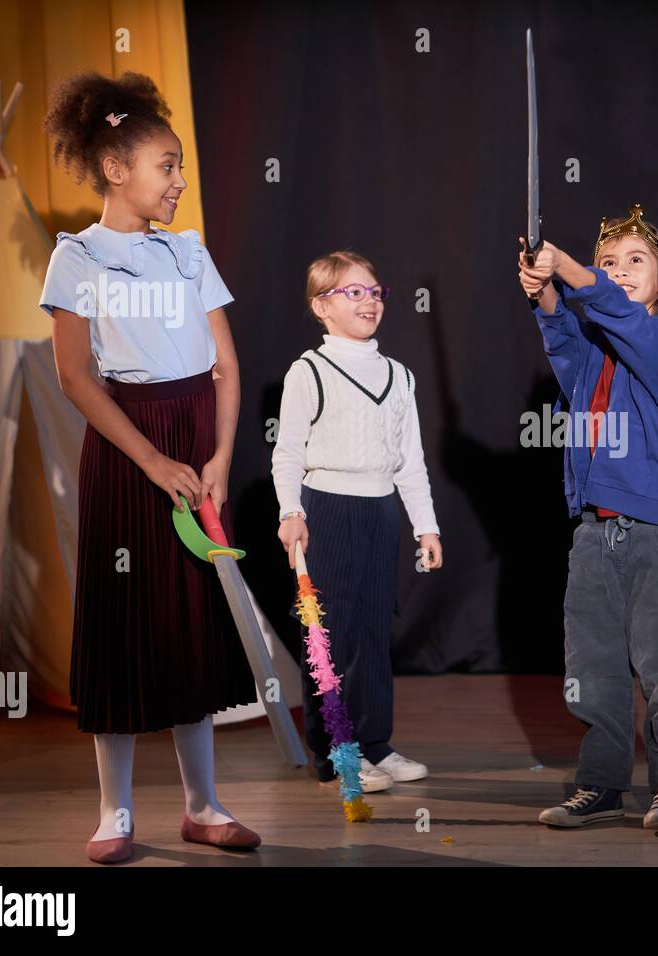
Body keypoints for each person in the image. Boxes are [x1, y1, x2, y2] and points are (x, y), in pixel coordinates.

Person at [39, 71, 260, 863]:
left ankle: (203, 806)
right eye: (166, 165)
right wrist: (153, 458)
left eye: (180, 167)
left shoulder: (189, 252)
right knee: (123, 620)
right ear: (115, 169)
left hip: (196, 440)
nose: (179, 181)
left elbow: (226, 367)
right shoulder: (77, 258)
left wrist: (221, 457)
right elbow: (75, 377)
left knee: (189, 622)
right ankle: (115, 813)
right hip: (132, 448)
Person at [517, 206, 658, 830]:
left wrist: (568, 268)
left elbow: (617, 314)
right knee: (591, 670)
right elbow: (567, 349)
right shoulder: (597, 348)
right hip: (594, 529)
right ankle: (600, 785)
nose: (620, 273)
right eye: (610, 262)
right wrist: (546, 296)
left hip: (654, 533)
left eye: (635, 262)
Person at [273, 251, 443, 794]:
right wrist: (291, 512)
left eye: (375, 291)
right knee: (330, 633)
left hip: (380, 512)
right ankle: (335, 753)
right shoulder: (309, 370)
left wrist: (426, 526)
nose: (369, 300)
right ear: (321, 306)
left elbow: (410, 460)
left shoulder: (399, 376)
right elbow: (287, 453)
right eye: (354, 292)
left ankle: (374, 744)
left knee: (372, 633)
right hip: (328, 511)